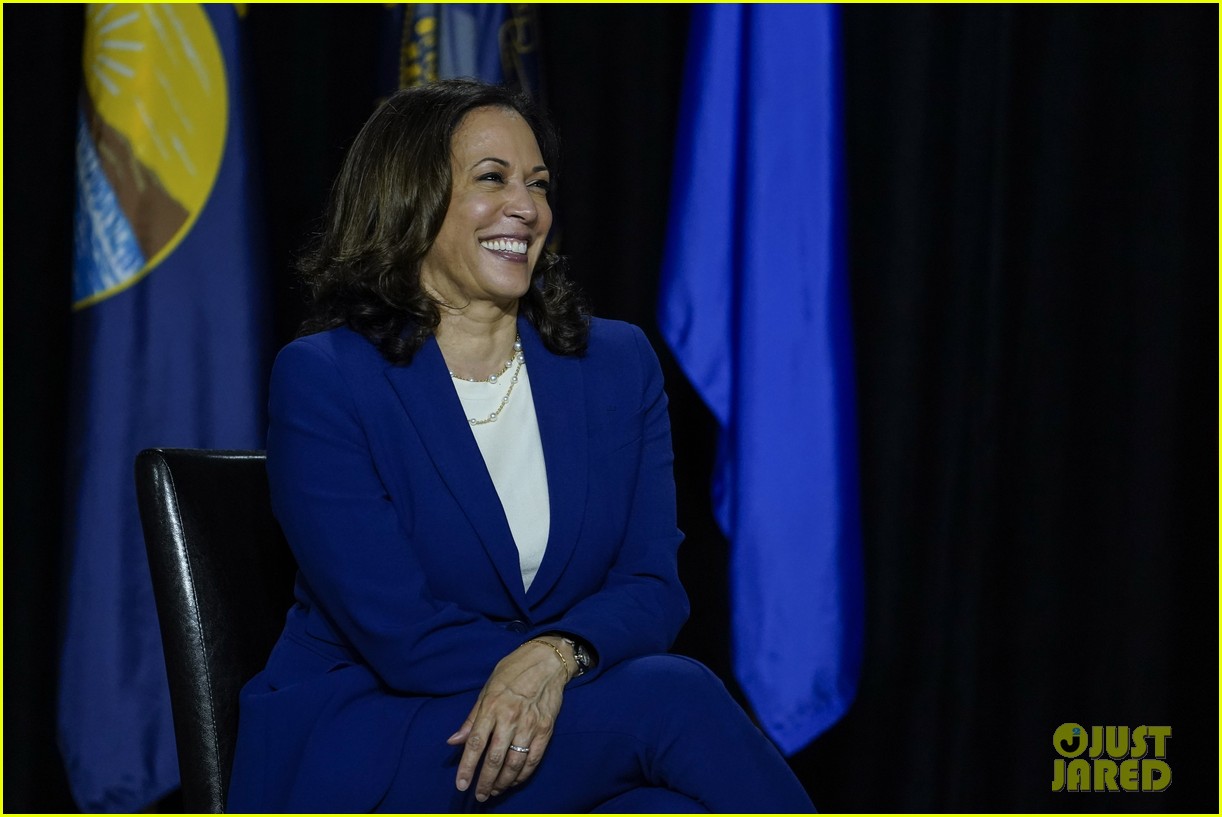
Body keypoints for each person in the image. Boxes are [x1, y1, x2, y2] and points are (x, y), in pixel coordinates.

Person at [227, 78, 815, 813]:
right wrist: (544, 671)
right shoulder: (326, 378)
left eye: (537, 184)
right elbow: (400, 633)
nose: (527, 208)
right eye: (492, 178)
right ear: (409, 197)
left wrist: (554, 657)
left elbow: (651, 585)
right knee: (674, 695)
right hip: (377, 734)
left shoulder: (617, 365)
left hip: (552, 722)